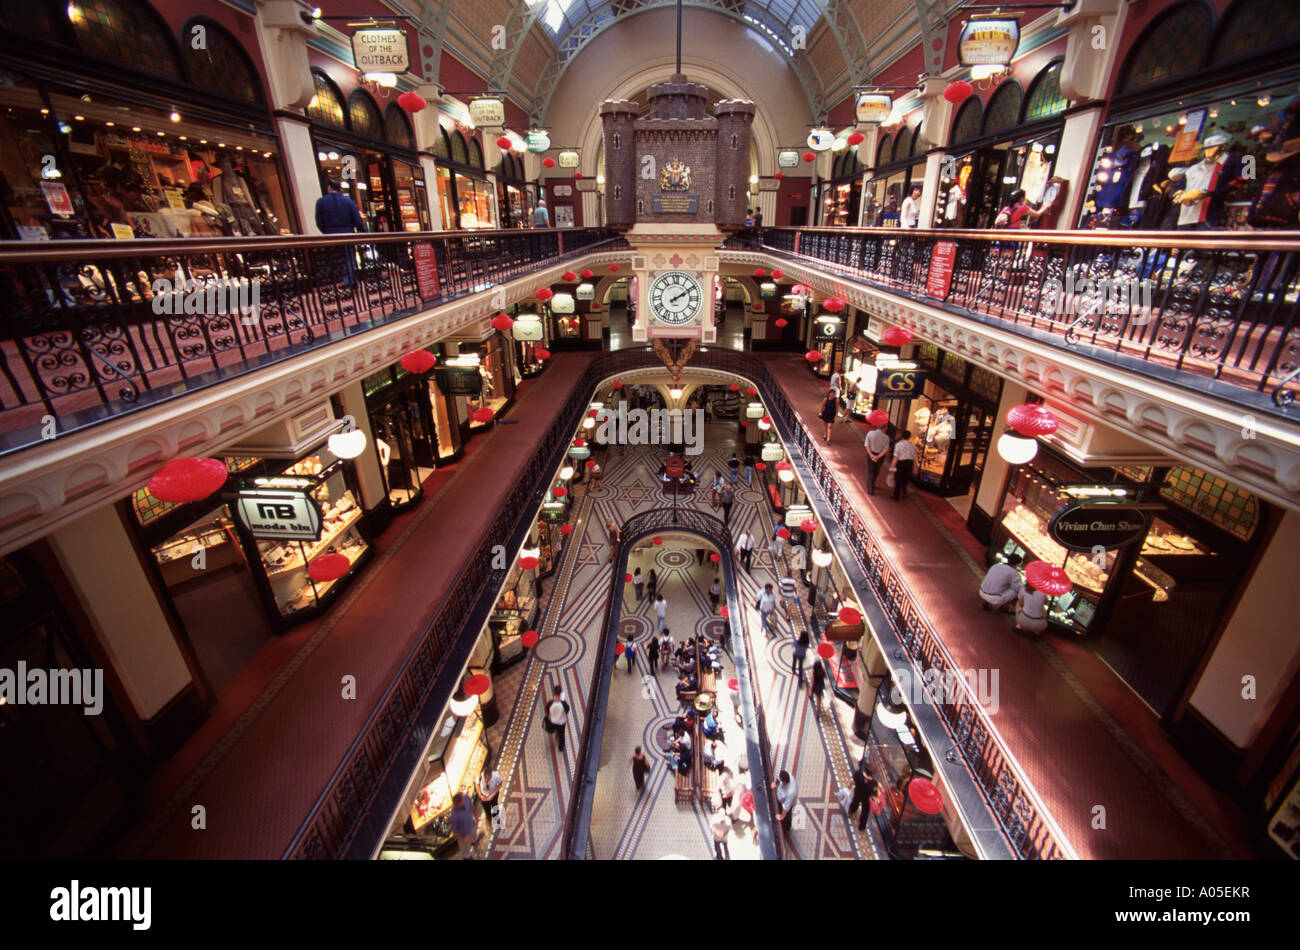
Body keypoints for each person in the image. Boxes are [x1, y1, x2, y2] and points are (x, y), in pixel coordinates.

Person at [314, 180, 366, 288]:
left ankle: (346, 281)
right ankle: (349, 281)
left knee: (336, 261)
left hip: (331, 236)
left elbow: (319, 221)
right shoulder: (348, 202)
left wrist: (326, 232)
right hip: (348, 235)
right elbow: (358, 221)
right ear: (340, 189)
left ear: (329, 188)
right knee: (349, 259)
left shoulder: (321, 202)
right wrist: (363, 234)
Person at [846, 762, 879, 832]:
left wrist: (848, 787)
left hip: (857, 793)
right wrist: (877, 800)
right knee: (865, 812)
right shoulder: (874, 783)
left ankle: (852, 810)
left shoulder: (859, 773)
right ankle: (862, 827)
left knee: (855, 801)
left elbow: (853, 781)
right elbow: (874, 796)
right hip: (865, 799)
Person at [449, 792, 479, 859]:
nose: (464, 802)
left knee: (474, 836)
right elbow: (455, 830)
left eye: (463, 800)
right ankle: (467, 857)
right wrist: (462, 839)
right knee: (465, 849)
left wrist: (476, 815)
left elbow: (471, 805)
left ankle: (474, 841)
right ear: (457, 805)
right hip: (464, 834)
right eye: (461, 802)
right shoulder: (454, 816)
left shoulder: (465, 797)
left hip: (471, 824)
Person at [864, 423, 890, 496]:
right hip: (880, 456)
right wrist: (878, 457)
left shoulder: (870, 433)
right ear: (884, 428)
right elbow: (885, 450)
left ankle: (870, 488)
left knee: (870, 471)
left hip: (871, 454)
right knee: (876, 470)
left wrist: (871, 455)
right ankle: (872, 483)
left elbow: (866, 445)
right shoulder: (886, 437)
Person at [890, 429, 917, 501]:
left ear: (902, 436)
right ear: (909, 437)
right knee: (906, 479)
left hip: (901, 463)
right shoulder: (913, 446)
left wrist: (892, 466)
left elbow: (896, 457)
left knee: (898, 479)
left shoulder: (898, 445)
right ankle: (904, 493)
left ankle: (896, 495)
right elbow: (914, 458)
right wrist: (915, 468)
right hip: (909, 464)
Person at [771, 770, 798, 838]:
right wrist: (775, 783)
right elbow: (778, 778)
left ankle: (786, 829)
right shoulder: (786, 775)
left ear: (785, 782)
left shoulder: (791, 792)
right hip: (781, 800)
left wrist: (781, 816)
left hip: (786, 805)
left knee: (786, 818)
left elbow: (786, 808)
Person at [476, 761, 503, 826]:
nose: (487, 779)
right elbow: (477, 784)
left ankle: (496, 819)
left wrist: (492, 795)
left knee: (495, 807)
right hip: (484, 796)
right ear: (483, 775)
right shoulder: (480, 777)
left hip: (493, 795)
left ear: (491, 774)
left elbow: (500, 783)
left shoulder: (496, 776)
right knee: (486, 810)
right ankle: (489, 819)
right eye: (485, 777)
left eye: (489, 777)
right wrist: (480, 795)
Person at [546, 685, 569, 751]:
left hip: (552, 721)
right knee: (561, 735)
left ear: (554, 693)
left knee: (555, 729)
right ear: (560, 693)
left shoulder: (550, 703)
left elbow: (547, 711)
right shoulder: (563, 704)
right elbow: (567, 710)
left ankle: (556, 732)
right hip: (561, 722)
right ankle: (560, 748)